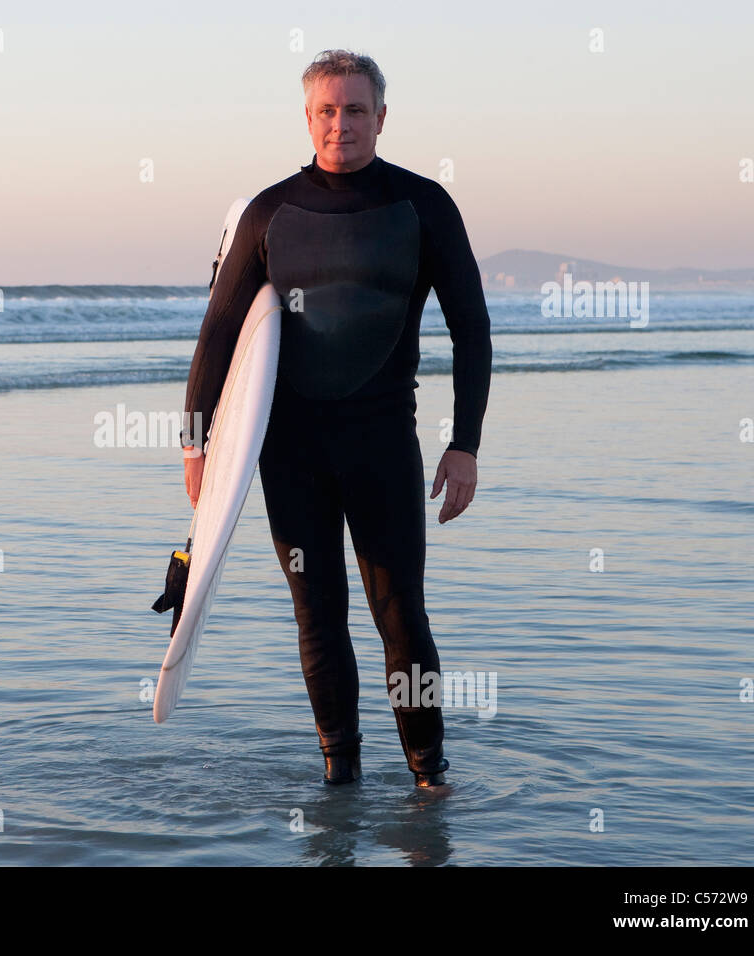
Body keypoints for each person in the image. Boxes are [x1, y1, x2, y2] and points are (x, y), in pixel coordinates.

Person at [181, 49, 492, 788]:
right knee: (317, 615)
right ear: (308, 116)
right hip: (289, 449)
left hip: (383, 440)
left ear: (381, 118)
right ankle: (339, 775)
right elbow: (220, 333)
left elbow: (472, 328)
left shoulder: (423, 206)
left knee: (399, 614)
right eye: (327, 109)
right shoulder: (270, 212)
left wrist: (466, 444)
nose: (341, 123)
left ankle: (428, 772)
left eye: (356, 110)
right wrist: (198, 445)